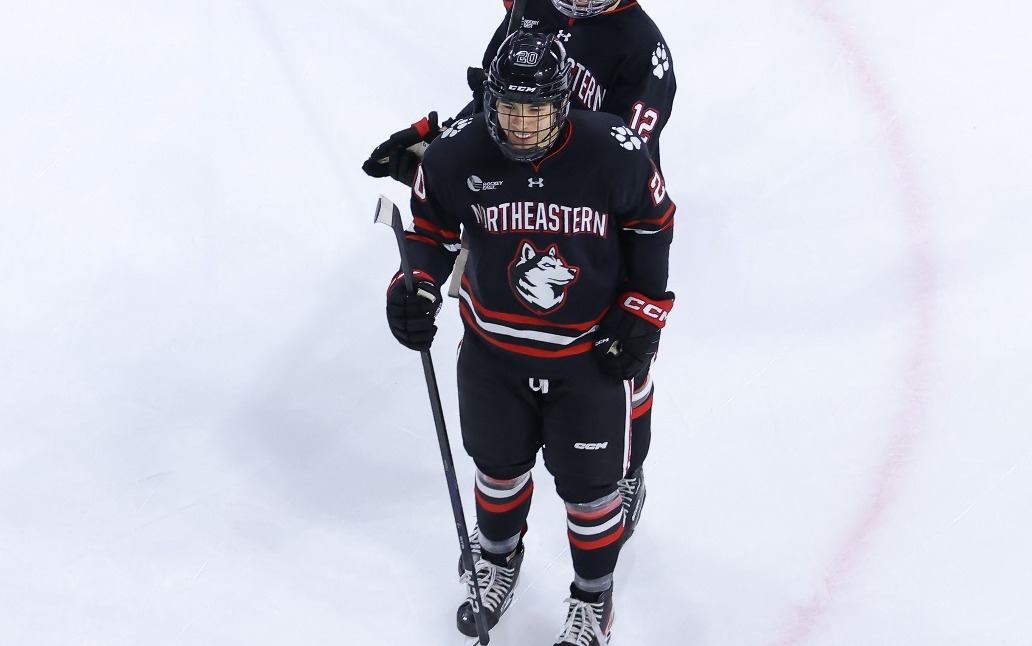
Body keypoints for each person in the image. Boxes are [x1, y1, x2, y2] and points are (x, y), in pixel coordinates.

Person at [383, 32, 674, 645]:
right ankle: (497, 559)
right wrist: (414, 285)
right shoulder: (456, 155)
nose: (521, 126)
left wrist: (644, 308)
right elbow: (430, 230)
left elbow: (654, 222)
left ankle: (594, 600)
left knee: (592, 495)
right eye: (510, 110)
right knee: (496, 470)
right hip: (494, 354)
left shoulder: (614, 153)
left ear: (562, 102)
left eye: (535, 110)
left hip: (585, 361)